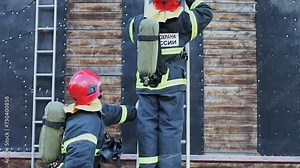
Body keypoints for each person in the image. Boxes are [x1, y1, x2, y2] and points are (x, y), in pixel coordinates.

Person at [126, 0, 213, 167]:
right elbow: (206, 12)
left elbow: (131, 33)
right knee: (170, 130)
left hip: (146, 86)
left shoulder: (137, 23)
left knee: (147, 130)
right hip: (172, 86)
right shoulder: (184, 22)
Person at [58, 68, 137, 168]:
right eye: (99, 87)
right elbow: (78, 164)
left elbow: (115, 113)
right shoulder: (85, 125)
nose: (101, 91)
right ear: (93, 90)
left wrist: (137, 111)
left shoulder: (89, 110)